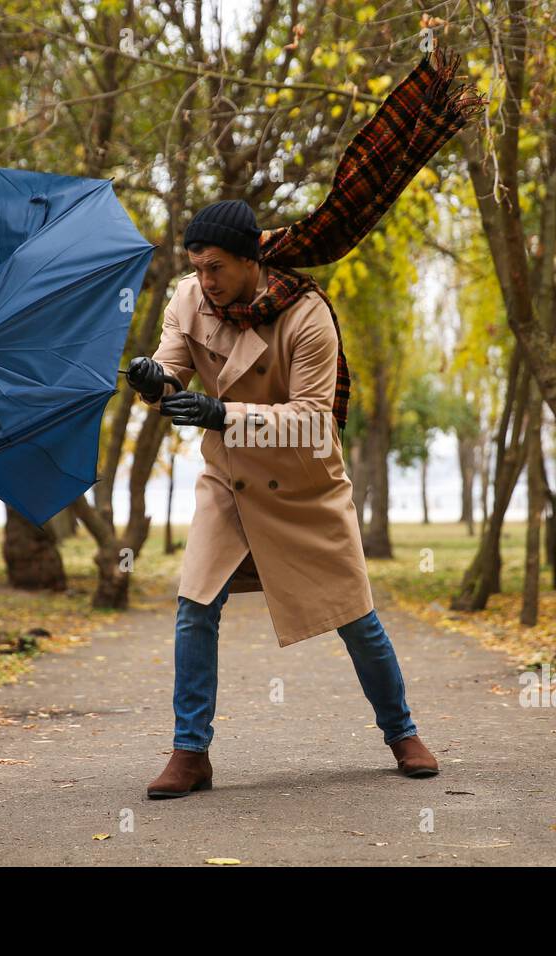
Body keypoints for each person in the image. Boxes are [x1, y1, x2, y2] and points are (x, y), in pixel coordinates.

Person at [127, 199, 439, 799]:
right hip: (230, 482)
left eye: (216, 268)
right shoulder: (189, 297)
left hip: (303, 486)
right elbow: (172, 370)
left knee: (353, 615)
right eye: (197, 267)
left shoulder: (306, 315)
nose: (205, 280)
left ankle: (402, 734)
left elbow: (315, 420)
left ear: (252, 261)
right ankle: (190, 754)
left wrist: (223, 412)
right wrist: (153, 380)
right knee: (196, 606)